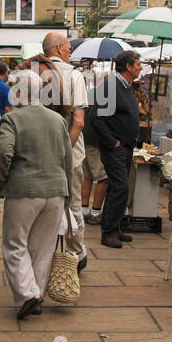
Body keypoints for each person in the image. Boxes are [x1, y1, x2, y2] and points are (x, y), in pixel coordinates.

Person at [0, 68, 72, 319]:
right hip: (56, 190)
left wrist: (3, 180)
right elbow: (67, 159)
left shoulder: (13, 119)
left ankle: (29, 294)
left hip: (24, 190)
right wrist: (67, 193)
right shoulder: (57, 119)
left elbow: (2, 153)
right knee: (42, 248)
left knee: (15, 243)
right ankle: (35, 293)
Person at [41, 32, 89, 268]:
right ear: (59, 48)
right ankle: (75, 257)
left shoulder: (31, 72)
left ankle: (43, 256)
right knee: (73, 205)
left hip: (38, 154)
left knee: (42, 208)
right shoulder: (74, 75)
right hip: (68, 154)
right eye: (69, 47)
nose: (70, 52)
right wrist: (63, 152)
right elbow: (78, 121)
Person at [91, 50, 141, 248]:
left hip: (126, 146)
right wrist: (112, 141)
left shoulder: (126, 86)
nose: (140, 67)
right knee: (121, 187)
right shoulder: (111, 86)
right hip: (115, 147)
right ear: (128, 67)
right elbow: (96, 117)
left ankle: (115, 227)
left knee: (117, 188)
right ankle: (108, 233)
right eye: (137, 64)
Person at [81, 73, 108, 225]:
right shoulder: (105, 95)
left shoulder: (91, 92)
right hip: (96, 141)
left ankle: (84, 210)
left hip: (85, 139)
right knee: (104, 177)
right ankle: (96, 212)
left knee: (88, 175)